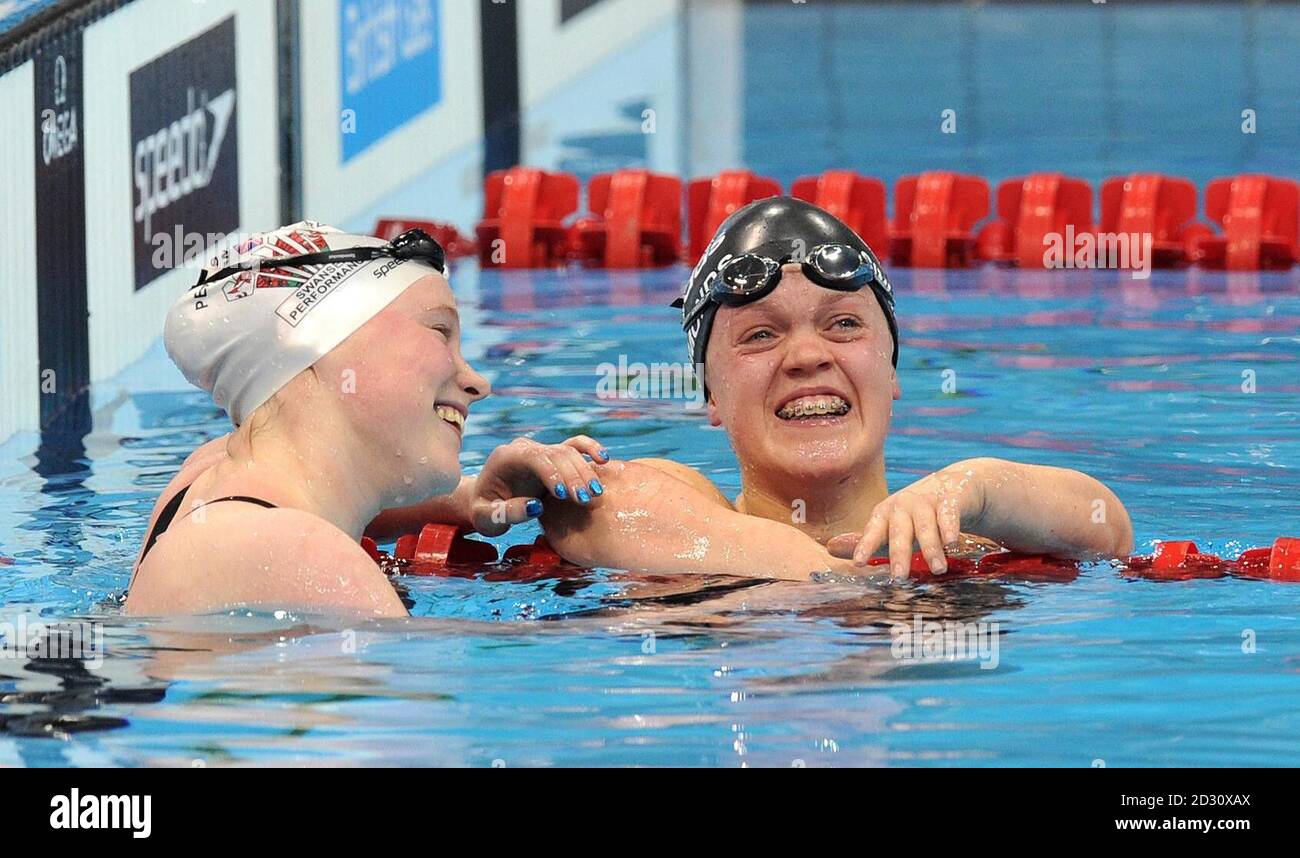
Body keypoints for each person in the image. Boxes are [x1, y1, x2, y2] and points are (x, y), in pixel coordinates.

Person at [540, 197, 1133, 580]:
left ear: (893, 370)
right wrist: (843, 579)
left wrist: (972, 485)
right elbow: (599, 506)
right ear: (711, 397)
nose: (807, 356)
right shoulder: (687, 511)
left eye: (843, 323)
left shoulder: (966, 536)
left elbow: (1104, 529)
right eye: (761, 334)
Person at [127, 222, 607, 616]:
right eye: (440, 331)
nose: (478, 382)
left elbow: (341, 494)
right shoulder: (290, 553)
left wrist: (467, 498)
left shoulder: (205, 482)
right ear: (323, 348)